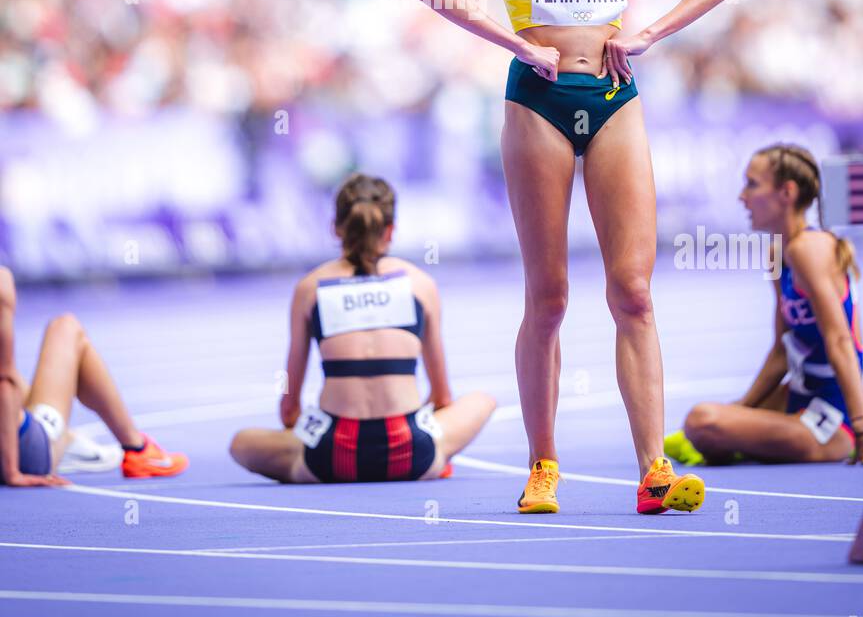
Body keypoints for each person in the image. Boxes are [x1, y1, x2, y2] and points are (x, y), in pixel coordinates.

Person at [417, 0, 737, 514]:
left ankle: (653, 471)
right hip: (540, 102)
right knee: (551, 297)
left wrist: (649, 31)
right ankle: (543, 463)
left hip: (615, 96)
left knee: (633, 292)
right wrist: (517, 44)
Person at [230, 174, 496, 484]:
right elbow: (442, 396)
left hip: (330, 456)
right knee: (483, 400)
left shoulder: (310, 288)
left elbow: (289, 409)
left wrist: (307, 429)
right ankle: (436, 454)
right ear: (391, 230)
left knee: (241, 443)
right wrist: (420, 423)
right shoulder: (420, 284)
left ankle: (309, 461)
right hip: (411, 452)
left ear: (336, 227)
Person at [665, 144, 863, 467]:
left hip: (831, 418)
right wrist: (744, 409)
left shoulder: (808, 249)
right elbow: (781, 351)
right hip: (797, 397)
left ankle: (730, 443)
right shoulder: (778, 252)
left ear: (786, 192)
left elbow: (840, 340)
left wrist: (861, 426)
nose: (742, 197)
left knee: (703, 421)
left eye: (752, 184)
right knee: (719, 417)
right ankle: (731, 439)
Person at [0, 265, 189, 486]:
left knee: (25, 388)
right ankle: (138, 449)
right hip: (25, 453)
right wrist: (12, 473)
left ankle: (69, 439)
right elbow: (5, 381)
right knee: (66, 328)